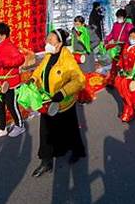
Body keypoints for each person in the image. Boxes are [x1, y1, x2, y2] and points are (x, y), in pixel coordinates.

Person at [30, 29, 86, 177]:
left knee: (71, 130)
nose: (47, 43)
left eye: (51, 40)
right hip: (48, 102)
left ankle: (77, 152)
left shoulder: (67, 59)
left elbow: (79, 80)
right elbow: (39, 70)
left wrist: (63, 92)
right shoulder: (48, 56)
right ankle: (46, 162)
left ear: (60, 43)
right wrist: (33, 79)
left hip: (64, 104)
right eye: (47, 39)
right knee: (45, 133)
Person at [104, 9, 133, 86]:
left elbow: (132, 37)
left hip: (125, 47)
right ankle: (112, 80)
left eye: (120, 17)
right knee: (114, 64)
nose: (118, 19)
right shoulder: (115, 24)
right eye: (118, 17)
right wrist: (106, 40)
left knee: (124, 65)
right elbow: (112, 34)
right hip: (116, 47)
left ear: (124, 17)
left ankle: (125, 82)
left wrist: (128, 46)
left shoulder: (128, 26)